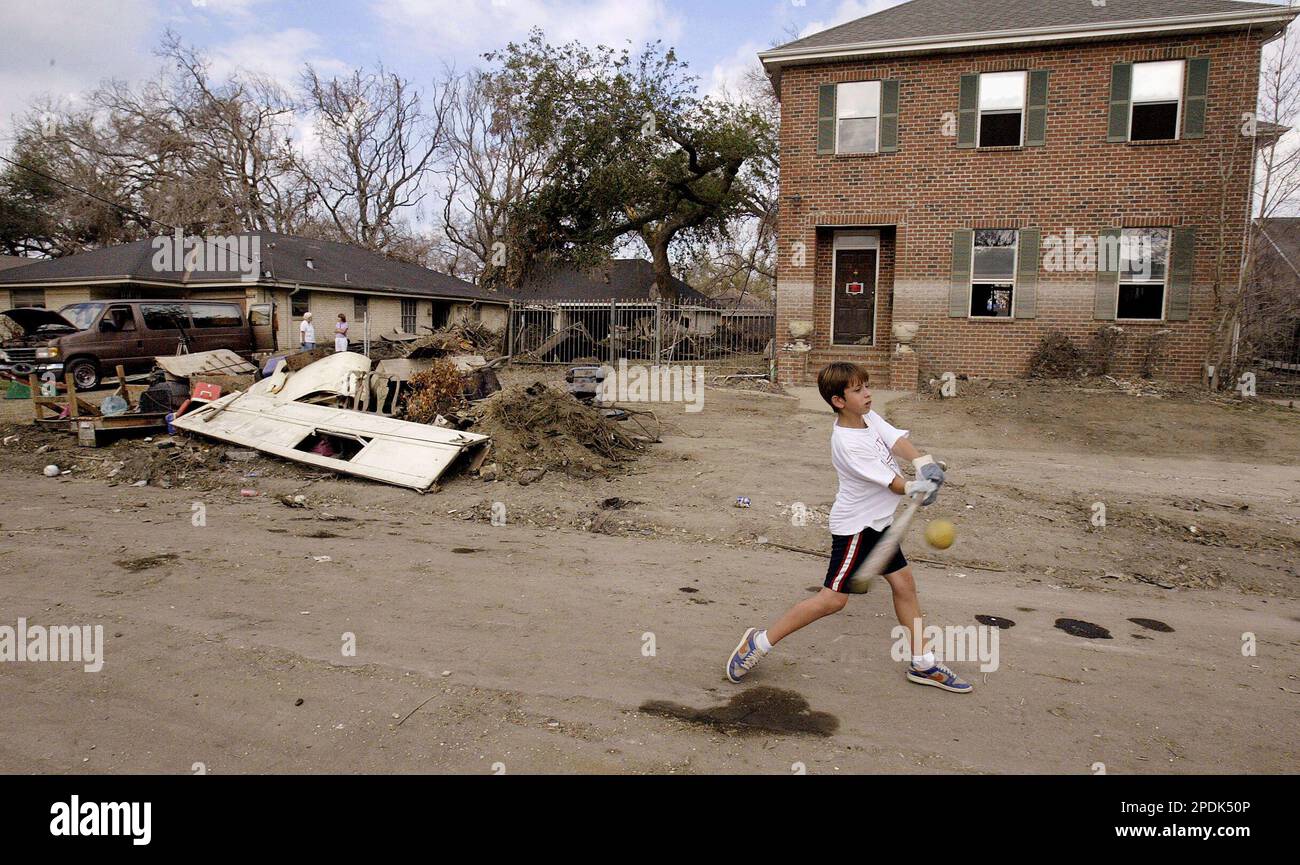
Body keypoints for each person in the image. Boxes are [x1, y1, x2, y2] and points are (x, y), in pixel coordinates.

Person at [724, 361, 972, 693]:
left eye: (866, 386)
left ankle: (923, 663)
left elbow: (896, 440)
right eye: (858, 390)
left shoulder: (868, 418)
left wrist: (922, 463)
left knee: (904, 585)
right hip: (857, 529)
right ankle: (759, 643)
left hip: (878, 524)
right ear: (839, 400)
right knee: (832, 600)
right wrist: (916, 488)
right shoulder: (846, 443)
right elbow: (892, 483)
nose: (867, 393)